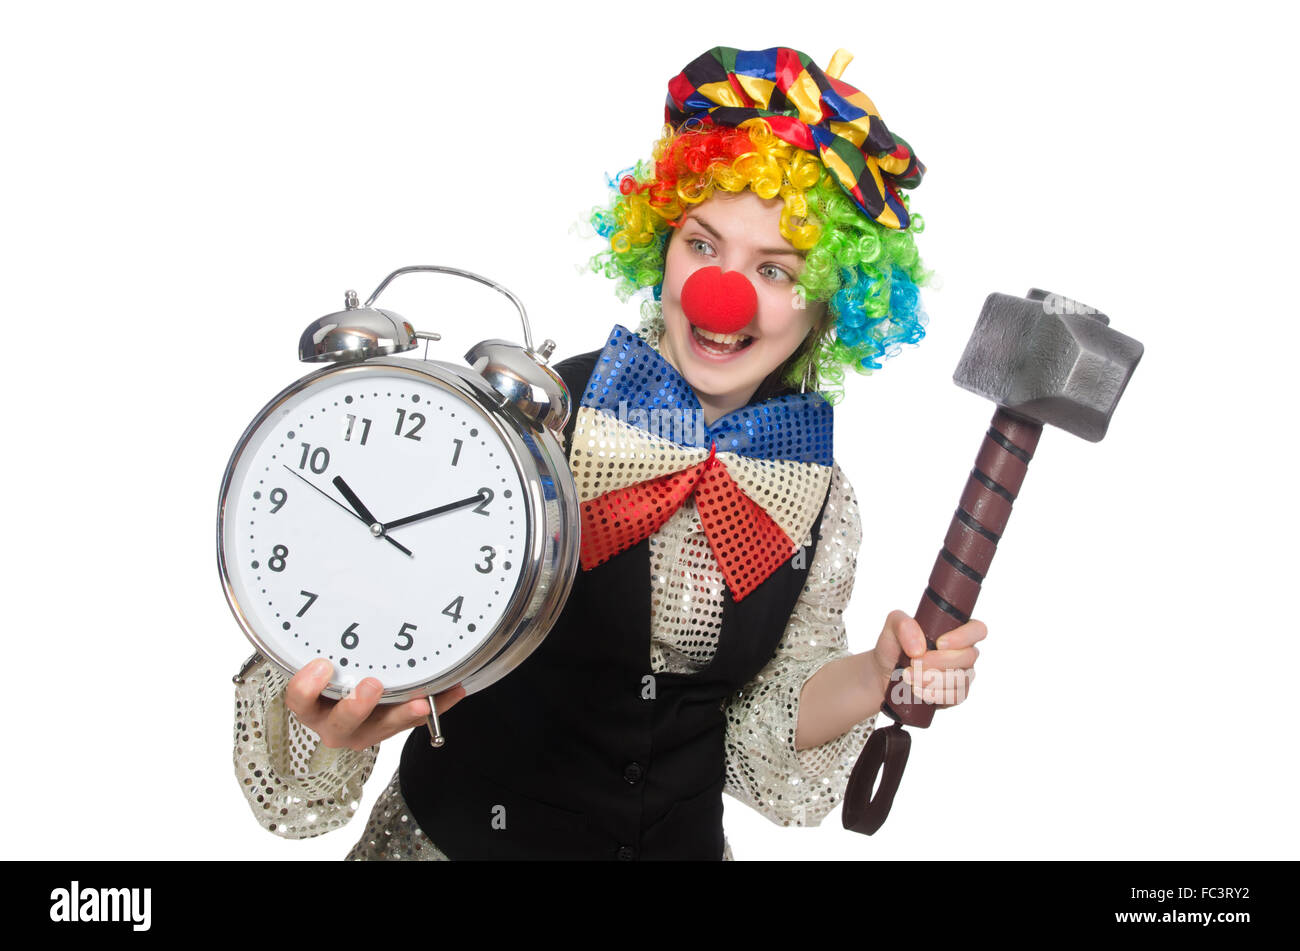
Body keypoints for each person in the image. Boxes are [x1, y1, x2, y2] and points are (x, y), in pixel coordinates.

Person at [232, 45, 987, 860]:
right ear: (660, 240)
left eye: (774, 269)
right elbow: (374, 583)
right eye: (702, 244)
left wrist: (879, 671)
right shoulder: (525, 428)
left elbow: (764, 715)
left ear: (831, 303)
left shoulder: (816, 494)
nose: (719, 293)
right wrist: (336, 699)